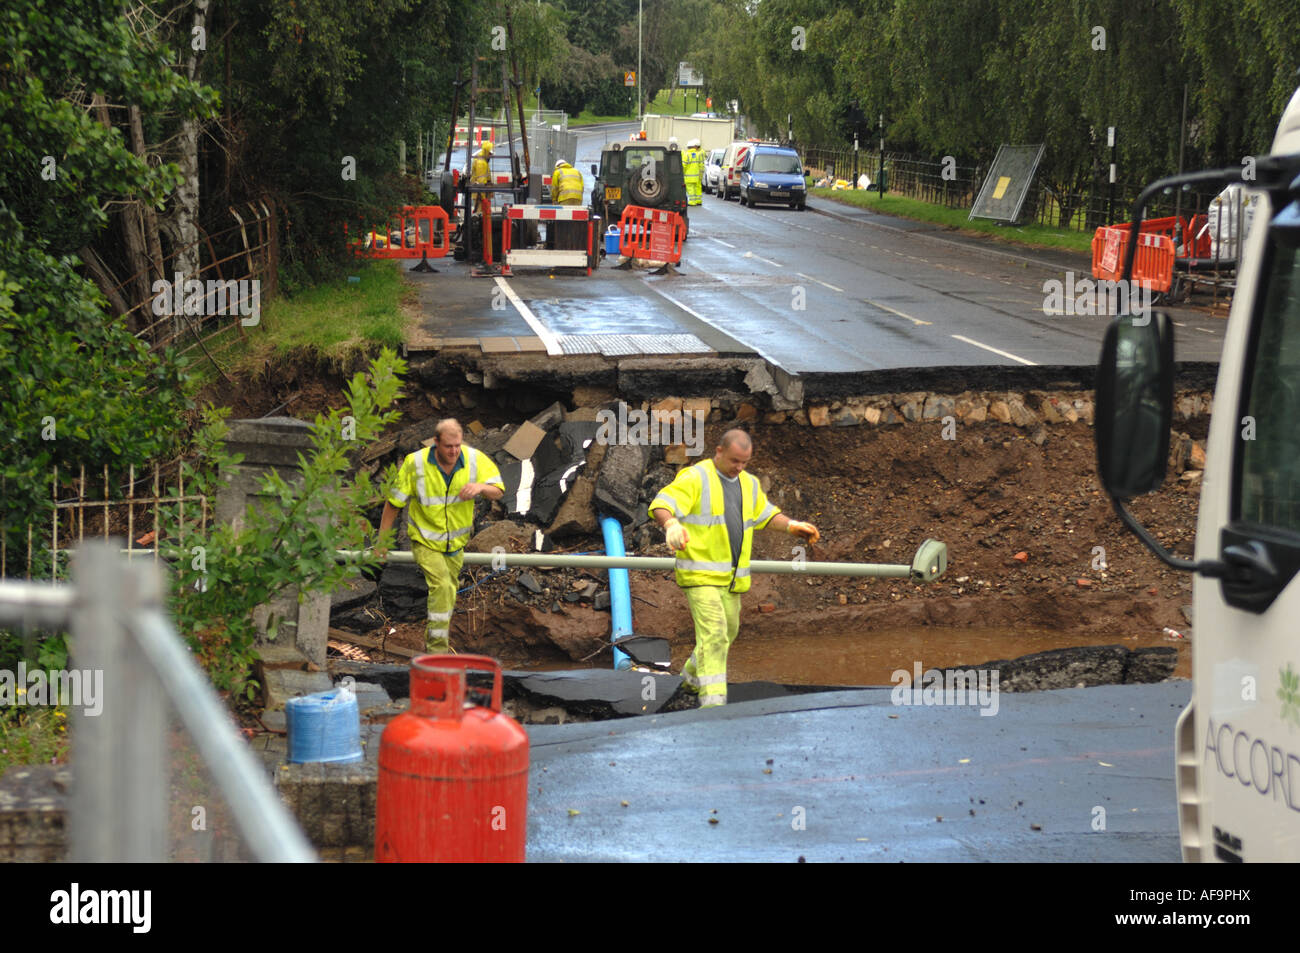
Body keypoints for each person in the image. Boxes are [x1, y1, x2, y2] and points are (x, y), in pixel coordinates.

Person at [649, 430, 820, 708]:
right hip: (700, 575)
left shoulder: (749, 484)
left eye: (744, 462)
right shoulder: (696, 477)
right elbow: (662, 504)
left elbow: (766, 515)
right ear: (718, 451)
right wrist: (671, 525)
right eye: (734, 461)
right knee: (714, 634)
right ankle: (713, 705)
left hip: (731, 580)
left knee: (727, 632)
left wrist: (791, 526)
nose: (739, 467)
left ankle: (690, 681)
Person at [377, 419, 504, 653]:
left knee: (448, 593)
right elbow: (393, 503)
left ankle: (433, 645)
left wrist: (480, 487)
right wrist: (382, 541)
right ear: (436, 442)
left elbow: (498, 491)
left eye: (457, 445)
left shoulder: (474, 460)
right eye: (448, 446)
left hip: (456, 544)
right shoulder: (415, 463)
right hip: (424, 540)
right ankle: (437, 651)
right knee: (442, 586)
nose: (454, 451)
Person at [469, 140, 495, 263]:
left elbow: (486, 179)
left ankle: (481, 242)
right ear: (485, 152)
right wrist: (483, 196)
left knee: (482, 218)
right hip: (480, 195)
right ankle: (479, 244)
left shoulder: (483, 161)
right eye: (489, 153)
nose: (491, 156)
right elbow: (480, 182)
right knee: (479, 219)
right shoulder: (481, 163)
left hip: (482, 194)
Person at [683, 137, 704, 206]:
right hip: (696, 176)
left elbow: (684, 165)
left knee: (690, 189)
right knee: (695, 188)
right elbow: (701, 165)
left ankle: (692, 202)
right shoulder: (698, 155)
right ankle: (696, 200)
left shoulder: (686, 154)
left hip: (688, 176)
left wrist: (682, 173)